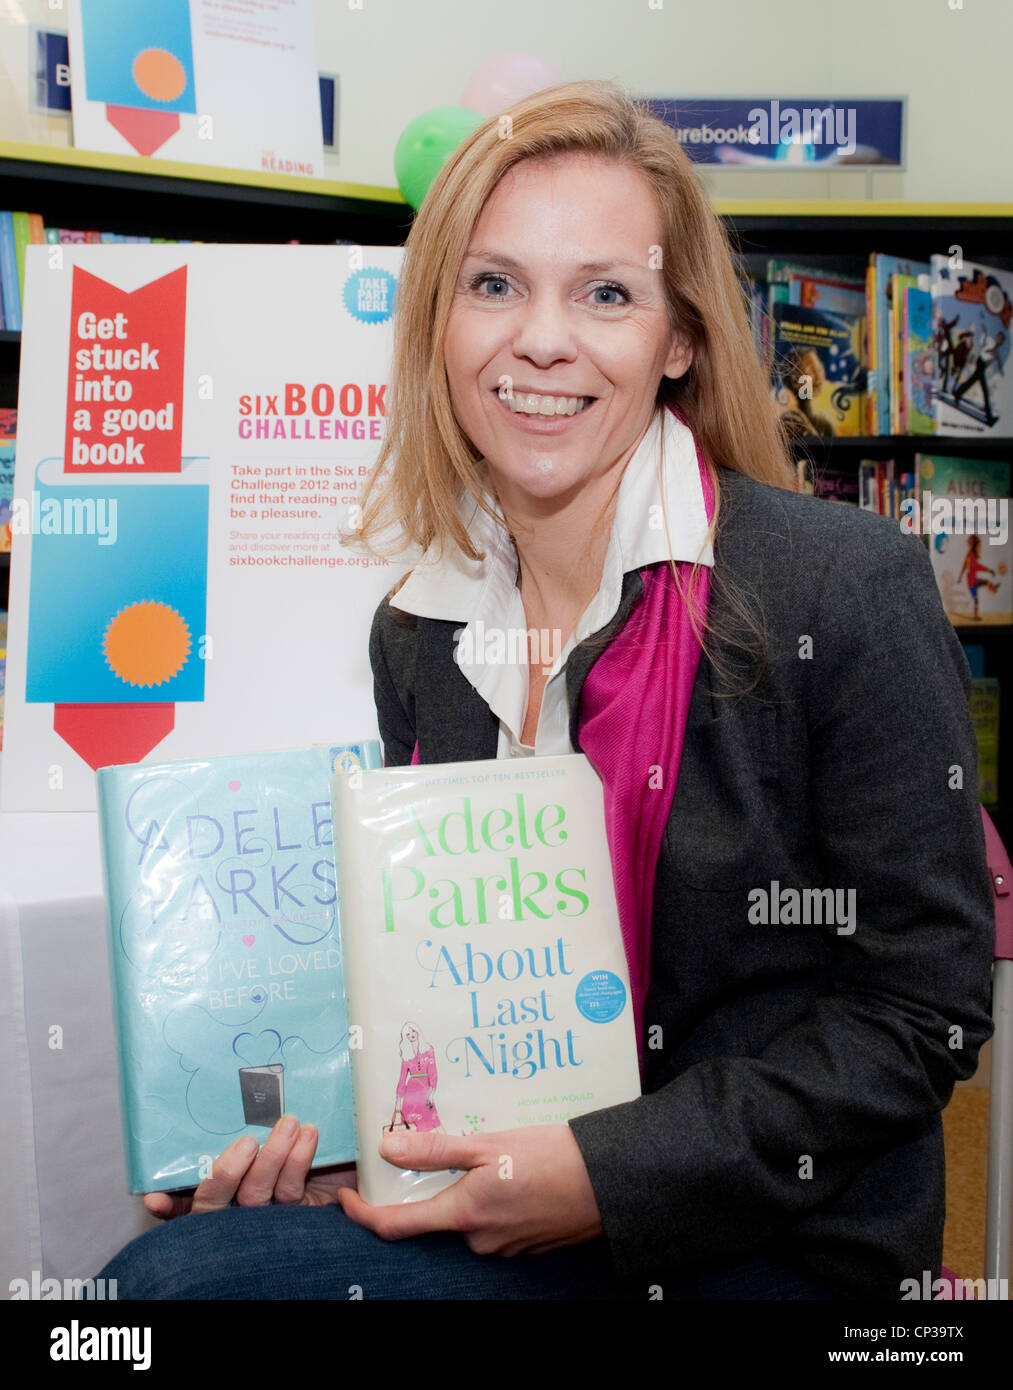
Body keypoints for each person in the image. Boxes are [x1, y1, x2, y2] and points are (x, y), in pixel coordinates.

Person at [97, 79, 995, 1301]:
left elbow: (919, 1007)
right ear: (439, 323)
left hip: (763, 1236)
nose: (540, 340)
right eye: (494, 283)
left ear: (678, 337)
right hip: (490, 1191)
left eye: (606, 294)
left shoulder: (844, 590)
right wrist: (322, 1141)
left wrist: (606, 1171)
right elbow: (427, 981)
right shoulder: (417, 630)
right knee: (164, 1275)